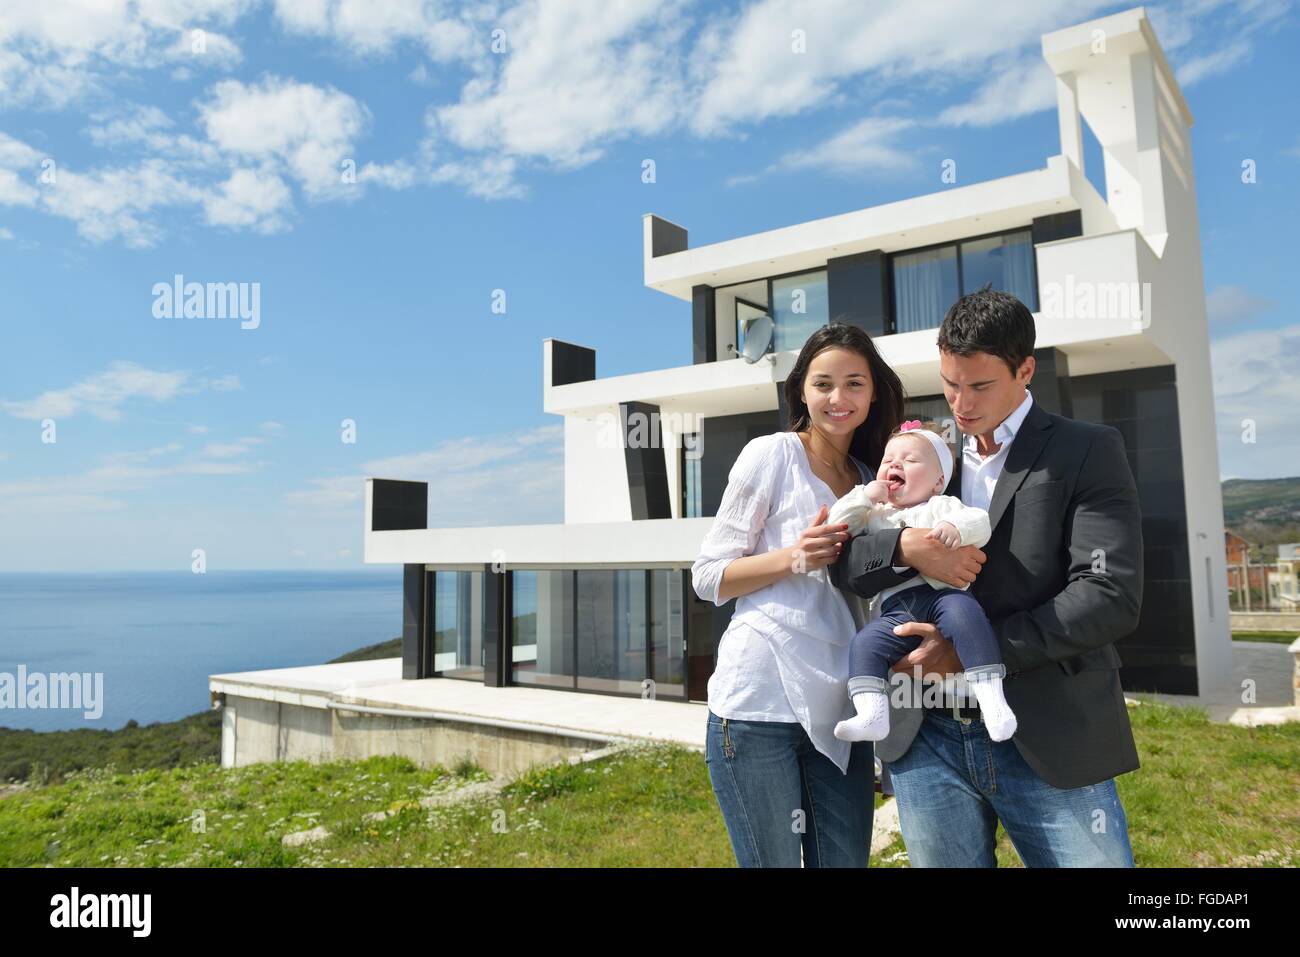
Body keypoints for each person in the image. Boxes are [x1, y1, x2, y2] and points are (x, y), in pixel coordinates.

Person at [831, 286, 1143, 867]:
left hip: (1046, 728)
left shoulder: (1087, 449)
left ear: (1025, 369)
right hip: (924, 735)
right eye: (950, 383)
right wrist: (905, 545)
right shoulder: (925, 454)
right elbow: (849, 562)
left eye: (979, 386)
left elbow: (1109, 595)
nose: (960, 402)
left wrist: (969, 652)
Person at [693, 322, 973, 867]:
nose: (838, 398)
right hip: (758, 704)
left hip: (843, 708)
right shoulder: (771, 455)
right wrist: (797, 554)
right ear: (801, 390)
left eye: (854, 384)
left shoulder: (878, 477)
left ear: (873, 393)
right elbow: (709, 577)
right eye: (823, 384)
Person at [827, 421, 1016, 744]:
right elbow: (837, 525)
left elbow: (979, 522)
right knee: (865, 644)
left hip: (944, 596)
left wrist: (955, 529)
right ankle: (872, 714)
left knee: (966, 618)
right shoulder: (875, 515)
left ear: (938, 480)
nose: (895, 464)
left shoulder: (942, 506)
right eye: (888, 460)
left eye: (911, 460)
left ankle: (991, 698)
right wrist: (863, 495)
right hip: (897, 611)